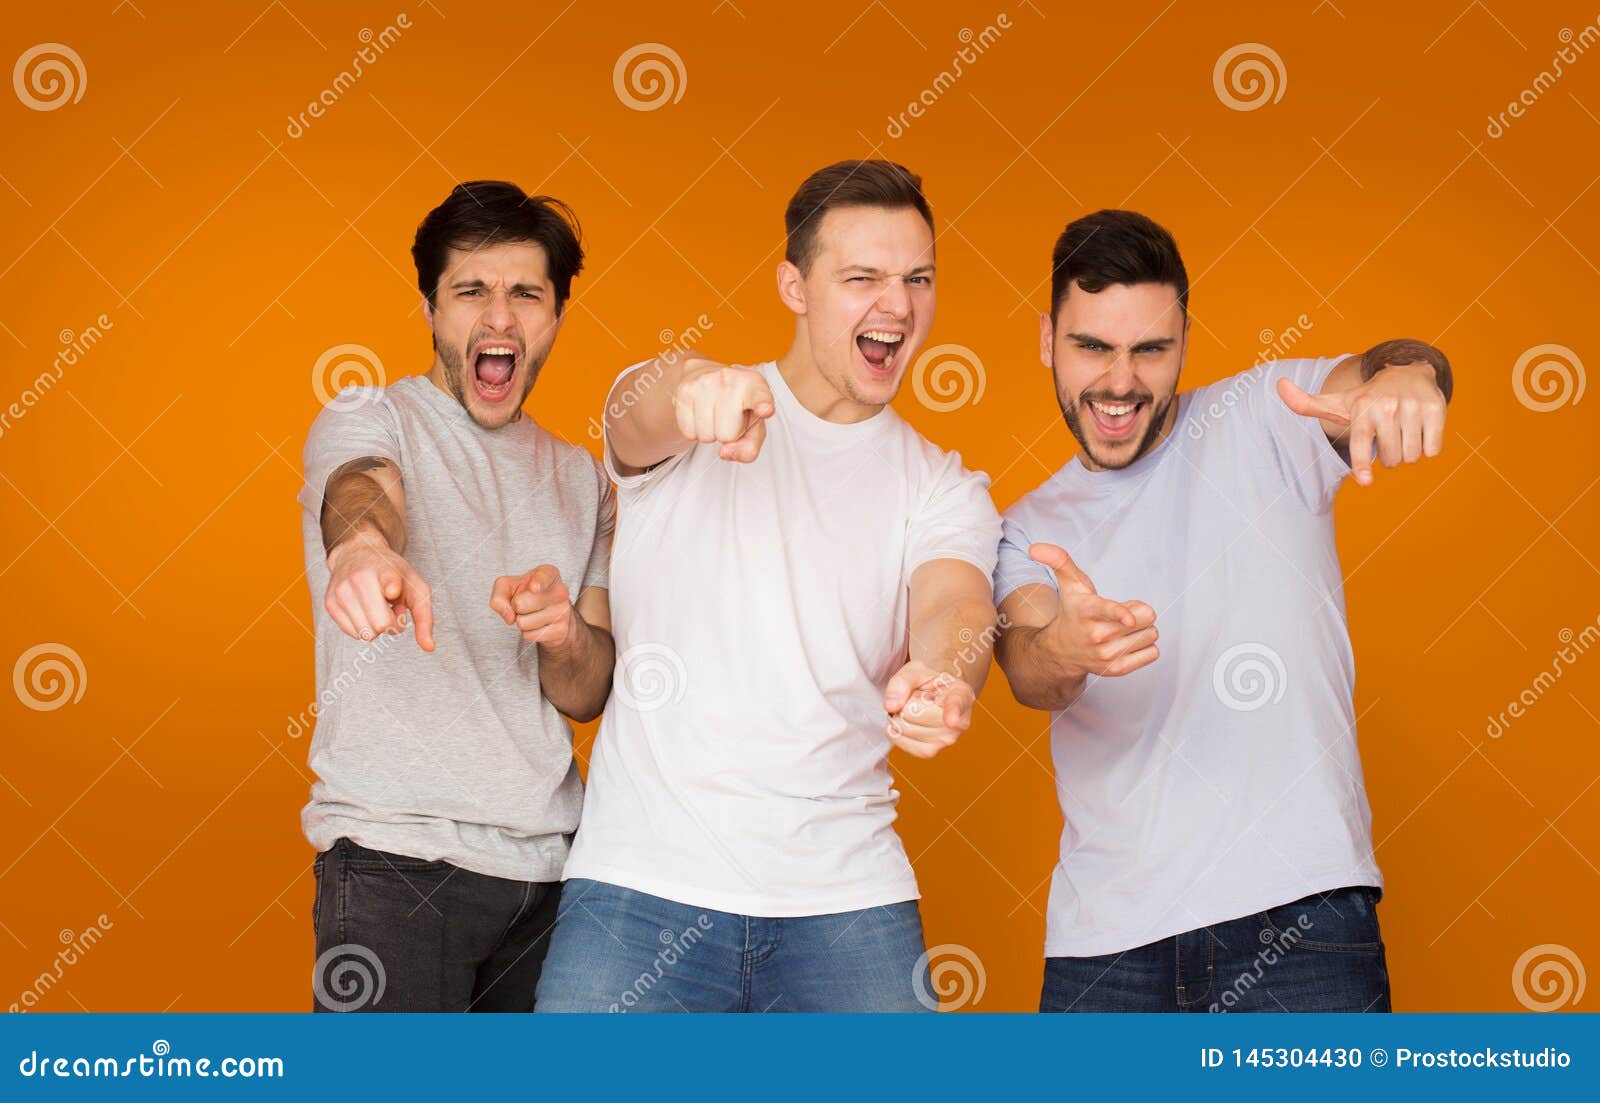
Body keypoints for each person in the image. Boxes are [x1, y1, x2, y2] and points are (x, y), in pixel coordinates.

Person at [534, 160, 1002, 1013]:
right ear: (795, 285)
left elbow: (957, 604)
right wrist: (696, 386)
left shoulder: (943, 484)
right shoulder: (694, 416)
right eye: (861, 277)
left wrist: (944, 673)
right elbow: (637, 411)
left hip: (847, 900)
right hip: (640, 885)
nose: (895, 305)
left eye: (917, 279)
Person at [992, 209, 1452, 1013]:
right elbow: (1031, 669)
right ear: (1046, 340)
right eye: (1092, 346)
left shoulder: (1267, 418)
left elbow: (1373, 370)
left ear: (1185, 339)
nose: (1121, 382)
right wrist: (1067, 645)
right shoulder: (1028, 525)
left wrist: (1408, 376)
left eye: (1150, 349)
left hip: (1300, 917)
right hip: (1107, 948)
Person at [298, 181, 615, 1012]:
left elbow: (585, 694)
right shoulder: (370, 413)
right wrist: (364, 552)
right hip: (395, 863)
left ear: (556, 315)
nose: (499, 319)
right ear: (431, 308)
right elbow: (361, 492)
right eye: (471, 291)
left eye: (525, 294)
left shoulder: (586, 479)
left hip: (551, 876)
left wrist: (562, 635)